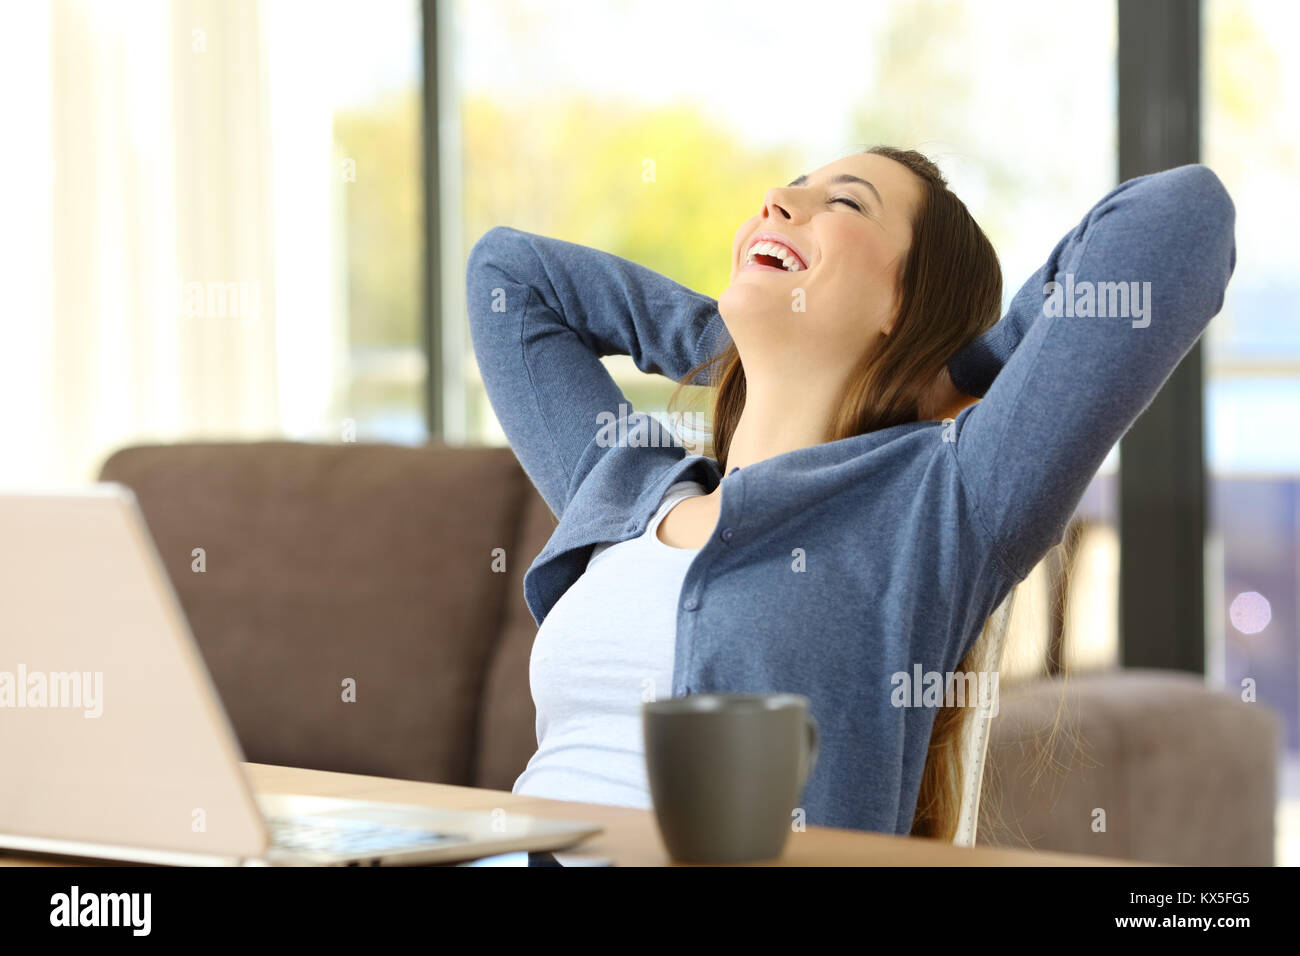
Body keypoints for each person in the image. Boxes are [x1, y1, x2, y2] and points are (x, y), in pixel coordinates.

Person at [466, 146, 1237, 839]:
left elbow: (1180, 218)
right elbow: (509, 275)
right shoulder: (621, 482)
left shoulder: (941, 500)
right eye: (791, 190)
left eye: (846, 202)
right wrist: (739, 345)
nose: (778, 199)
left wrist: (952, 370)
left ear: (903, 307)